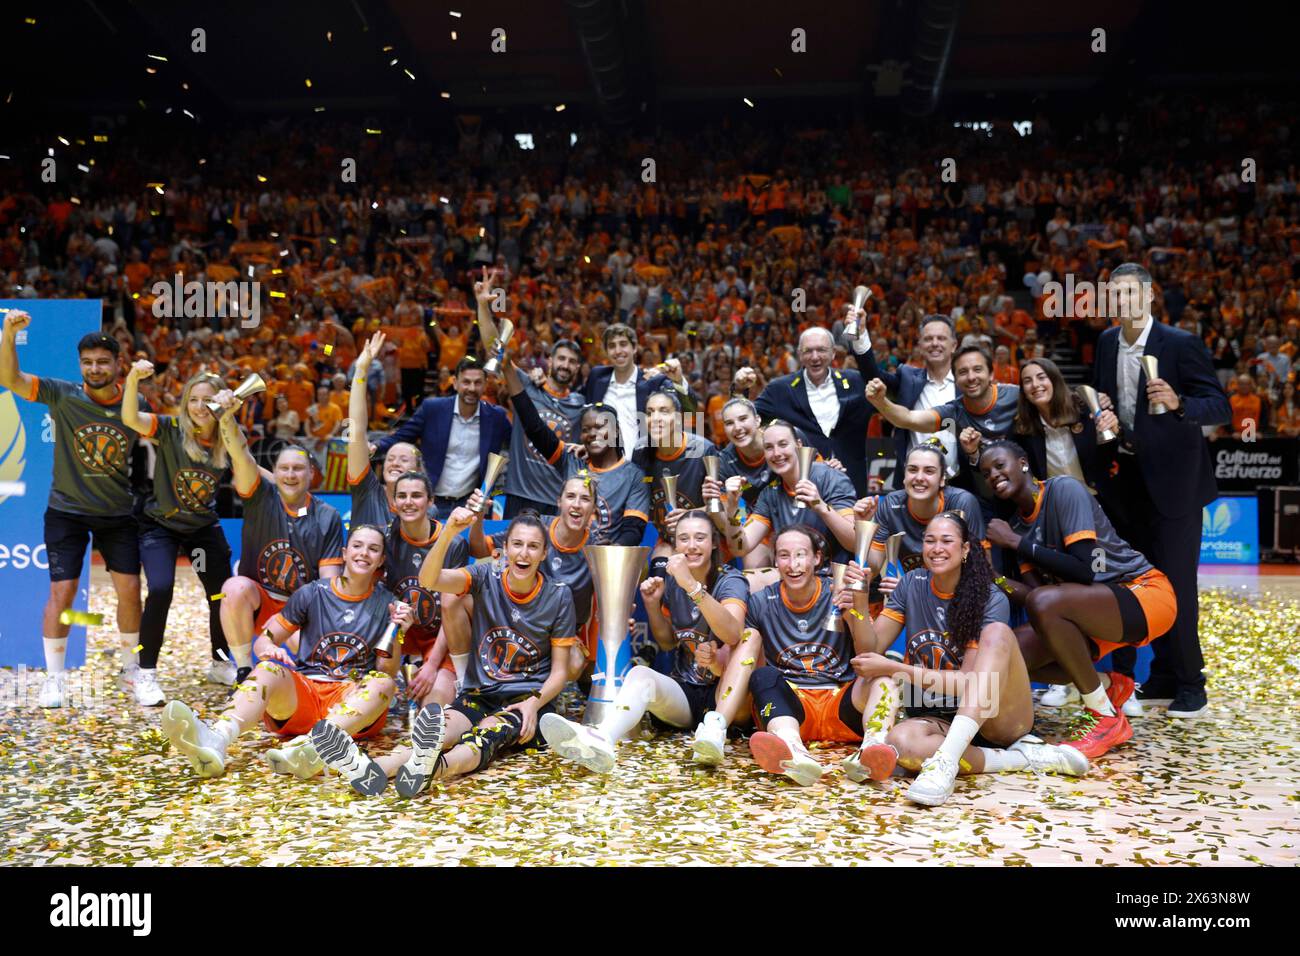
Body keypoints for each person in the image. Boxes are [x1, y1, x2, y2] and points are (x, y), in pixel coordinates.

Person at [848, 511, 1089, 806]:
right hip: (937, 717)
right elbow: (869, 650)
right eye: (930, 541)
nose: (937, 548)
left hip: (994, 718)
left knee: (998, 632)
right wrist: (859, 601)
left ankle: (946, 762)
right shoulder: (911, 583)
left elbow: (968, 684)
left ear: (964, 549)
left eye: (946, 541)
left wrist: (896, 668)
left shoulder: (989, 597)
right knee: (902, 743)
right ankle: (1022, 758)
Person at [159, 524, 411, 794]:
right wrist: (270, 649)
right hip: (306, 693)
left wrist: (398, 632)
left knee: (383, 682)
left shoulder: (388, 604)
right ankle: (217, 738)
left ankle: (316, 745)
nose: (364, 553)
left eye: (373, 549)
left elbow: (386, 670)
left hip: (352, 703)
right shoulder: (312, 593)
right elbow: (264, 640)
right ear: (344, 553)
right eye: (357, 546)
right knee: (267, 669)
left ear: (381, 560)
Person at [1091, 262, 1230, 717]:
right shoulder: (1107, 342)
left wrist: (1178, 402)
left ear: (1149, 296)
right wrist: (1102, 407)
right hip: (1125, 483)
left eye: (1131, 293)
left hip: (1175, 486)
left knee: (1178, 586)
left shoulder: (1181, 343)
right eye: (1116, 295)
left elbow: (1219, 406)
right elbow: (1104, 399)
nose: (1123, 302)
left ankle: (1192, 683)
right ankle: (1164, 675)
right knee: (1142, 585)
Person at [979, 440, 1177, 759]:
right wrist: (992, 576)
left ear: (1023, 463)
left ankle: (1103, 716)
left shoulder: (1064, 490)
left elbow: (1086, 570)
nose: (994, 475)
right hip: (1092, 613)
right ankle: (1108, 685)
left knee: (1045, 603)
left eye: (999, 465)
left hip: (1142, 593)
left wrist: (1015, 542)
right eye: (987, 473)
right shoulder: (1017, 525)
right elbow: (1035, 598)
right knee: (1010, 655)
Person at [368, 506, 576, 798]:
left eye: (533, 546)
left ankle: (432, 771)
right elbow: (429, 580)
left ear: (544, 554)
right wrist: (449, 532)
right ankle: (376, 768)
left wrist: (533, 704)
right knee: (440, 731)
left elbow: (560, 672)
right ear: (505, 548)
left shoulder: (559, 595)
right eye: (517, 544)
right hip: (480, 693)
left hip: (526, 699)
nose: (524, 553)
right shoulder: (485, 576)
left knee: (485, 735)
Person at [0, 311, 146, 707]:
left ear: (118, 364)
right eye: (87, 362)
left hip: (117, 513)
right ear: (80, 365)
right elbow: (10, 379)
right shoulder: (62, 393)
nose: (95, 369)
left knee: (131, 591)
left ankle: (133, 670)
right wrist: (9, 334)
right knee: (61, 593)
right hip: (66, 511)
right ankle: (55, 679)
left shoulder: (135, 401)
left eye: (103, 362)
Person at [539, 511, 753, 771]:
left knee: (751, 637)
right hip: (687, 693)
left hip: (727, 698)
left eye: (700, 538)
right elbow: (667, 642)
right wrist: (652, 606)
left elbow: (732, 634)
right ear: (675, 545)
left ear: (714, 543)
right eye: (683, 538)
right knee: (641, 675)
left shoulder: (729, 580)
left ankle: (715, 730)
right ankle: (602, 738)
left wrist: (691, 586)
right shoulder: (673, 583)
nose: (692, 545)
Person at [717, 525, 878, 786]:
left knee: (884, 678)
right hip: (791, 709)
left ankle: (872, 749)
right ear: (775, 561)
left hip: (841, 704)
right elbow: (739, 657)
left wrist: (859, 606)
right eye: (784, 555)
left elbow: (868, 652)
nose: (793, 565)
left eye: (801, 555)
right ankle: (793, 750)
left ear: (817, 558)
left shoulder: (838, 592)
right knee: (762, 676)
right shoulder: (761, 602)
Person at [120, 363, 234, 703]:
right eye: (193, 399)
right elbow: (130, 418)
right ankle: (146, 673)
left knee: (220, 595)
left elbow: (250, 467)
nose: (199, 406)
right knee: (159, 588)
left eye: (208, 400)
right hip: (162, 526)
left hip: (201, 529)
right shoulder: (170, 429)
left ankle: (221, 661)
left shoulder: (227, 436)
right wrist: (132, 379)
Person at [213, 389, 345, 686]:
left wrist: (315, 624)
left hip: (299, 609)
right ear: (274, 472)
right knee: (233, 588)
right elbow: (240, 455)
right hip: (259, 599)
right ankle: (244, 670)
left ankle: (309, 681)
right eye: (284, 468)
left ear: (311, 474)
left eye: (298, 469)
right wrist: (227, 419)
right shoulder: (260, 497)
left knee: (316, 671)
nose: (290, 474)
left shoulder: (328, 516)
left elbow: (328, 584)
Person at [470, 272, 587, 516]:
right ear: (550, 361)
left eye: (572, 361)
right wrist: (482, 306)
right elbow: (496, 349)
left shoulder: (580, 405)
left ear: (578, 368)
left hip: (557, 500)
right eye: (561, 359)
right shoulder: (526, 385)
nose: (565, 365)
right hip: (520, 495)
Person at [503, 356, 650, 545]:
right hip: (563, 555)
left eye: (601, 426)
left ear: (616, 432)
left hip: (602, 558)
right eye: (586, 429)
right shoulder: (571, 460)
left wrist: (610, 551)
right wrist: (508, 368)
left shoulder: (633, 476)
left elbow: (633, 529)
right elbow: (534, 428)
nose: (592, 433)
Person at [865, 344, 1020, 499]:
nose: (971, 377)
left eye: (977, 369)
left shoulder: (1015, 396)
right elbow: (907, 418)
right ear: (956, 380)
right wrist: (880, 401)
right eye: (963, 372)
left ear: (991, 374)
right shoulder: (953, 412)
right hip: (989, 494)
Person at [375, 356, 511, 519]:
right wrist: (375, 446)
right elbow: (402, 436)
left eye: (477, 383)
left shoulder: (496, 417)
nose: (472, 388)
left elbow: (517, 446)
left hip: (473, 504)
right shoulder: (432, 409)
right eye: (466, 382)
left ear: (485, 385)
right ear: (455, 383)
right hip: (432, 502)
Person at [739, 327, 872, 493]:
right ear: (799, 355)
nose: (815, 357)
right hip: (799, 489)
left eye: (821, 350)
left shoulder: (856, 382)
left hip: (853, 486)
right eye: (808, 351)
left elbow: (890, 400)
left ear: (833, 353)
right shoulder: (779, 389)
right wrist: (738, 391)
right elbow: (745, 419)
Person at [713, 420, 857, 564]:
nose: (776, 453)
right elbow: (740, 548)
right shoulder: (769, 494)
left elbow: (854, 542)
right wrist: (732, 508)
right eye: (769, 447)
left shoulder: (831, 477)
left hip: (834, 574)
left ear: (798, 445)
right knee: (750, 575)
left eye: (783, 444)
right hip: (791, 573)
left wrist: (821, 507)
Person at [850, 312, 960, 489]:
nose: (934, 343)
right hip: (913, 482)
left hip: (959, 482)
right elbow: (873, 375)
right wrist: (861, 333)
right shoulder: (908, 378)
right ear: (920, 345)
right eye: (928, 339)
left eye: (941, 338)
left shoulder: (966, 384)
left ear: (954, 345)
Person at [855, 441, 987, 581]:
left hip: (957, 589)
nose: (919, 478)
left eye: (929, 471)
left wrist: (910, 587)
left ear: (942, 479)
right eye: (912, 470)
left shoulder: (962, 502)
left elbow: (979, 565)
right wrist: (862, 527)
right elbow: (874, 568)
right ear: (904, 476)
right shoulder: (890, 504)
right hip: (914, 591)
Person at [581, 323, 693, 461]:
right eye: (612, 346)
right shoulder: (597, 377)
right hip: (602, 466)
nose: (618, 351)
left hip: (642, 465)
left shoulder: (653, 382)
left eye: (623, 344)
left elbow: (690, 409)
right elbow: (582, 411)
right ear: (606, 351)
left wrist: (679, 381)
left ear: (634, 348)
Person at [637, 387, 718, 569]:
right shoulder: (640, 452)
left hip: (703, 541)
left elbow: (728, 508)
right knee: (659, 574)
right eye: (650, 412)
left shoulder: (703, 450)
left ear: (679, 418)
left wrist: (690, 515)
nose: (655, 418)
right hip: (665, 541)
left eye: (664, 411)